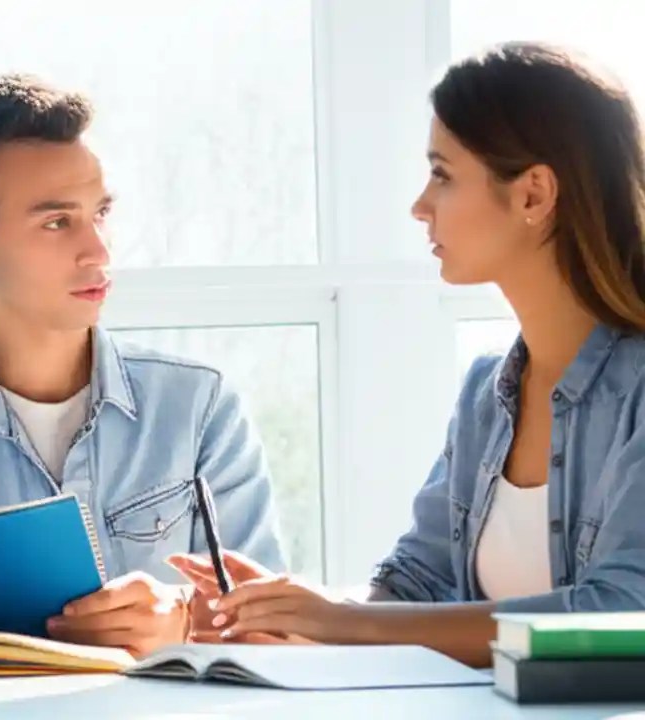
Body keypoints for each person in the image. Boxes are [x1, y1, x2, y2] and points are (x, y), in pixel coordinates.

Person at [174, 42, 645, 667]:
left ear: (533, 195)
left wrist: (344, 623)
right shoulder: (488, 392)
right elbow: (417, 583)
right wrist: (295, 616)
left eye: (443, 175)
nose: (420, 206)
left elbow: (620, 615)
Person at [0, 74, 284, 657]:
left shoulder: (201, 411)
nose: (98, 250)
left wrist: (180, 625)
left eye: (101, 213)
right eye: (56, 222)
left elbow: (273, 633)